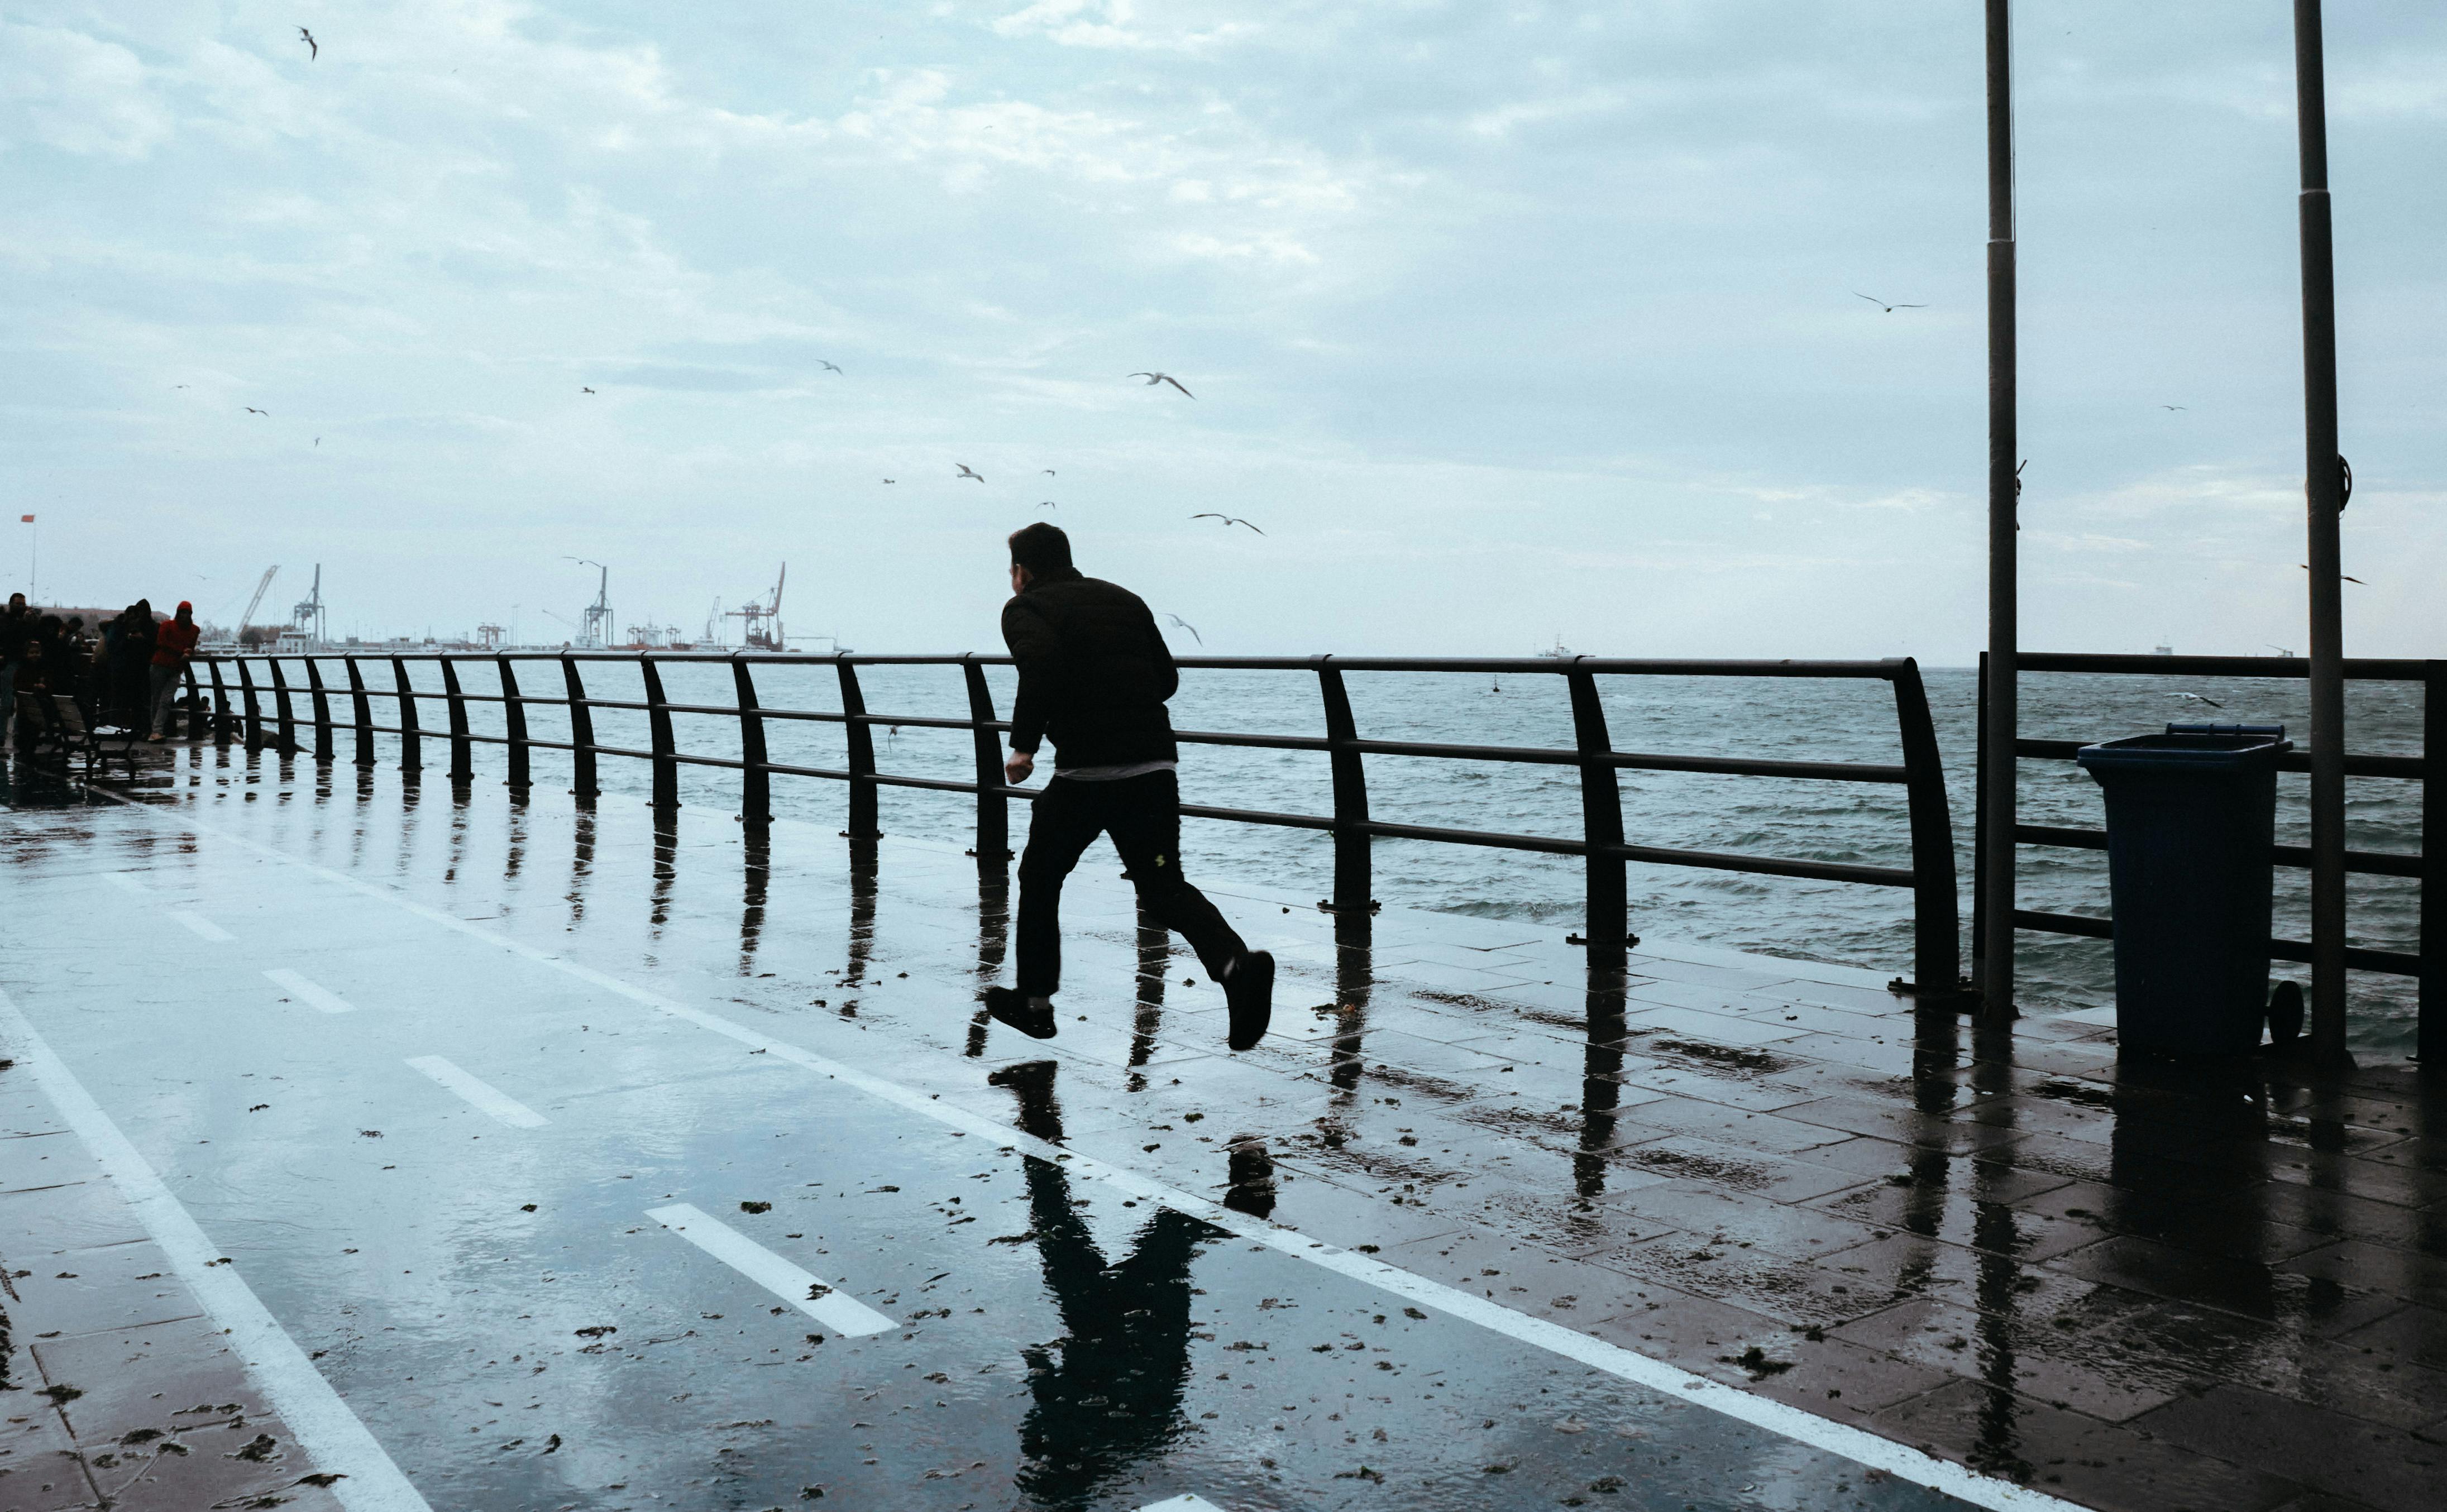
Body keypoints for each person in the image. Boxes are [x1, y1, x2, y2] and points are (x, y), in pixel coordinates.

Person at [982, 523, 1273, 1049]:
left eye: (1012, 570)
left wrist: (1024, 746)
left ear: (1022, 571)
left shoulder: (1026, 608)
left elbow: (1040, 665)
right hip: (1152, 769)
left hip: (1085, 777)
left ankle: (1035, 1002)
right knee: (1163, 887)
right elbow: (1167, 681)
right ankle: (1237, 966)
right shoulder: (1126, 600)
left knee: (1041, 876)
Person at [149, 601, 199, 741]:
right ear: (178, 613)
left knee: (163, 700)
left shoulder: (190, 629)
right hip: (162, 666)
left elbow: (189, 646)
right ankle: (155, 730)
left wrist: (189, 651)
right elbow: (161, 643)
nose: (185, 615)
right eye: (183, 612)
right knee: (158, 699)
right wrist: (184, 652)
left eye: (187, 613)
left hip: (172, 668)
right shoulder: (168, 626)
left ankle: (155, 730)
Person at [0, 592, 26, 751]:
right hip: (11, 662)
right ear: (11, 604)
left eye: (22, 604)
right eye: (19, 604)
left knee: (11, 701)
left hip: (14, 663)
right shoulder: (6, 622)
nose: (21, 607)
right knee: (8, 701)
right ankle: (4, 734)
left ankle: (7, 734)